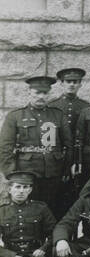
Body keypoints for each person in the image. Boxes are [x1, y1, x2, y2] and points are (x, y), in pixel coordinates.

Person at [0, 76, 72, 209]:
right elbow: (5, 148)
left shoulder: (58, 115)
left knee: (51, 208)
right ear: (29, 92)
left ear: (49, 94)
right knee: (27, 209)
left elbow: (68, 145)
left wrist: (66, 170)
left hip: (53, 173)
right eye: (37, 92)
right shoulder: (15, 116)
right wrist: (12, 174)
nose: (41, 96)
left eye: (45, 93)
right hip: (25, 173)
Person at [0, 171, 60, 257]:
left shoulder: (41, 208)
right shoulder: (1, 211)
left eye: (25, 187)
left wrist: (43, 249)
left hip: (36, 256)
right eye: (18, 187)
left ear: (30, 190)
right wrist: (13, 256)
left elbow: (54, 232)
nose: (21, 191)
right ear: (10, 189)